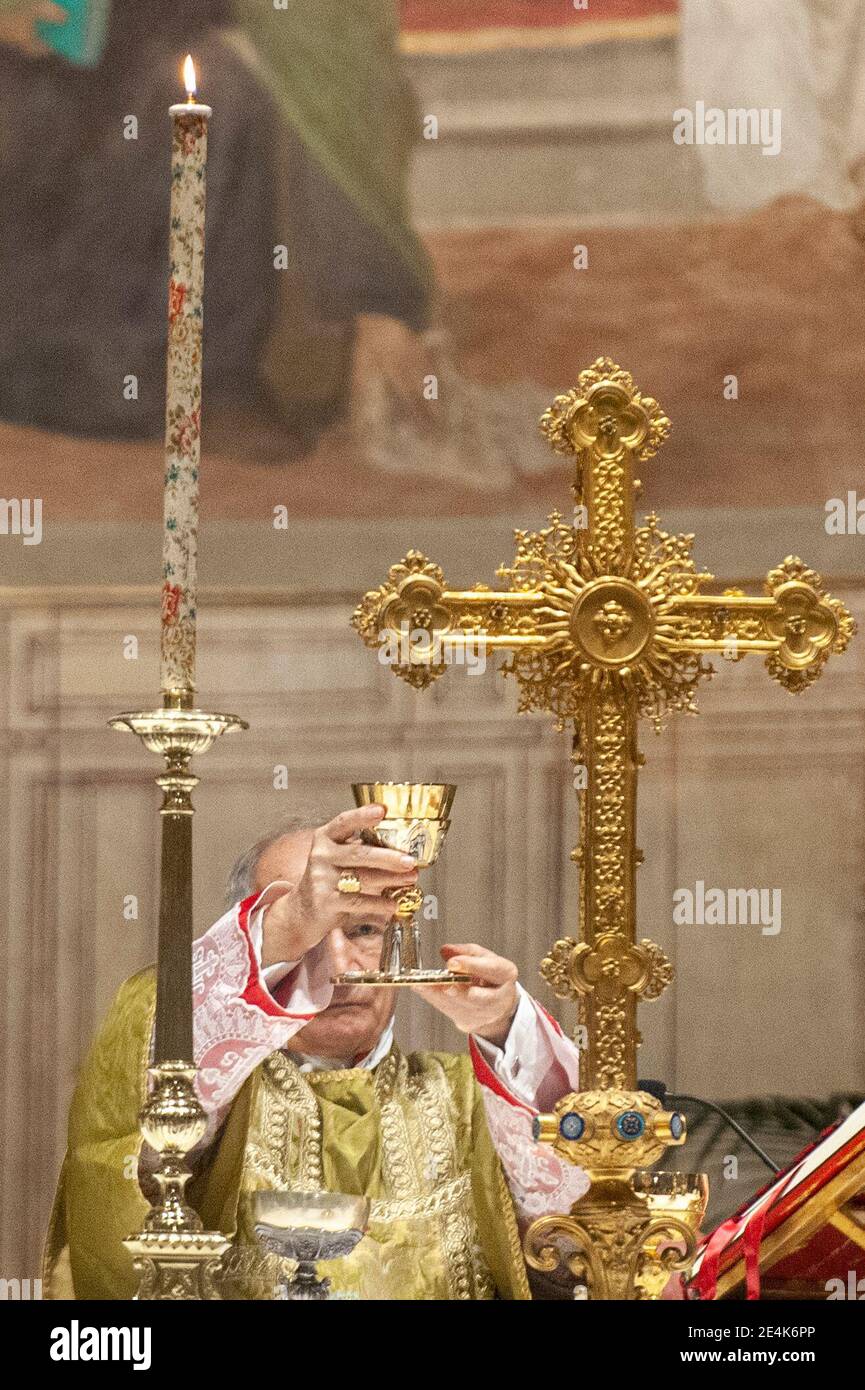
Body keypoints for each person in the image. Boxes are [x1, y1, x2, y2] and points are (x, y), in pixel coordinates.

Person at [45, 804, 590, 1300]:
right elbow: (141, 1095)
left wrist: (501, 1026)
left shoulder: (471, 1097)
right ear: (257, 947)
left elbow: (573, 1235)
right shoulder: (217, 1099)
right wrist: (285, 923)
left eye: (363, 929)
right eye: (306, 932)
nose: (340, 968)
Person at [0, 1, 432, 444]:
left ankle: (211, 384)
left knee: (220, 92)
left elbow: (332, 44)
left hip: (139, 99)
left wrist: (378, 301)